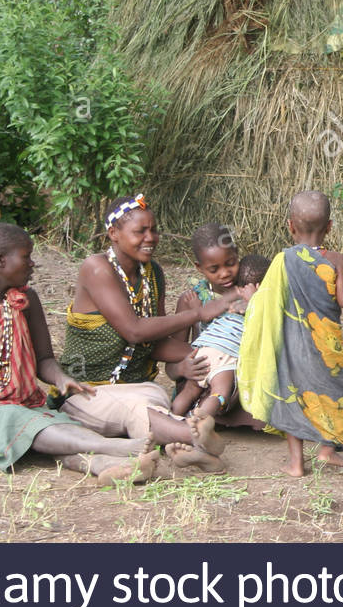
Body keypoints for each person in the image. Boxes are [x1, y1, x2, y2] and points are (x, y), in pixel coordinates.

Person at [0, 222, 159, 485]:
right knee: (15, 419)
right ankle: (116, 448)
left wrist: (61, 379)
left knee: (47, 423)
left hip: (20, 404)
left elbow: (44, 360)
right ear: (0, 261)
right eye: (26, 256)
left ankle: (103, 465)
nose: (33, 264)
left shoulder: (27, 300)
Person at [57, 194, 237, 472]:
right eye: (140, 231)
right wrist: (198, 313)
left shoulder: (152, 274)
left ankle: (193, 450)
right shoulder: (96, 268)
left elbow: (155, 340)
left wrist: (198, 358)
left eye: (153, 229)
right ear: (113, 233)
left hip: (141, 386)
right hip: (87, 392)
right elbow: (134, 331)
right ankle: (193, 438)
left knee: (150, 402)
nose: (150, 237)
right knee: (136, 408)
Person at [237, 191, 343, 477]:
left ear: (290, 226)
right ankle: (326, 452)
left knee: (292, 394)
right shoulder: (336, 260)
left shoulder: (282, 260)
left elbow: (267, 299)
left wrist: (253, 301)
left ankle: (296, 464)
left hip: (293, 345)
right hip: (327, 344)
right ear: (329, 227)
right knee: (334, 390)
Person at [171, 253, 270, 419]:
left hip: (203, 350)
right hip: (226, 355)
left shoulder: (228, 301)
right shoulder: (259, 305)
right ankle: (198, 420)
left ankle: (171, 417)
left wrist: (197, 308)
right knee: (220, 393)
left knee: (189, 391)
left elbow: (206, 316)